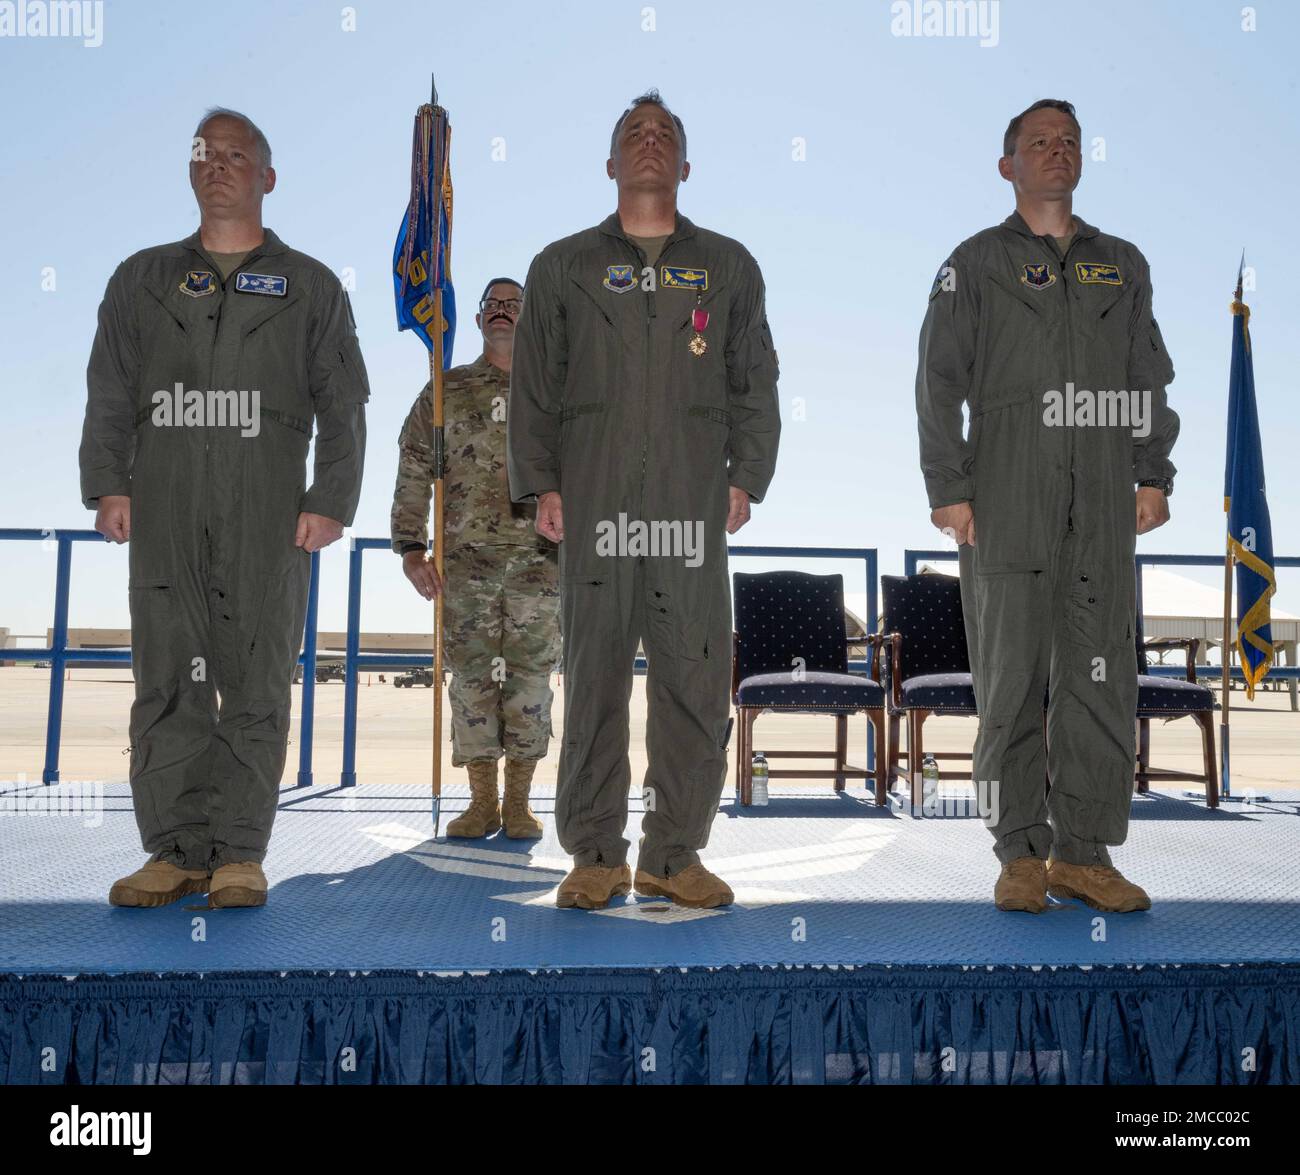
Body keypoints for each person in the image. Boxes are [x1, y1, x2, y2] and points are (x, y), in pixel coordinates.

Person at [81, 108, 368, 908]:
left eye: (239, 155)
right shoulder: (141, 278)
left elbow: (343, 403)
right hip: (166, 490)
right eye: (206, 153)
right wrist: (110, 480)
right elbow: (109, 387)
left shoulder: (310, 285)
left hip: (269, 499)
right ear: (190, 170)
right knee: (168, 673)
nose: (220, 165)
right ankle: (173, 850)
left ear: (267, 178)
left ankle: (239, 850)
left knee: (254, 674)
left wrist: (330, 498)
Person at [508, 90, 781, 910]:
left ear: (686, 166)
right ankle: (594, 853)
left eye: (665, 134)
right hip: (593, 501)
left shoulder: (728, 266)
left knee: (693, 682)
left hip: (692, 506)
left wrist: (747, 476)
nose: (650, 142)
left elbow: (755, 380)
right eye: (635, 133)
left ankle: (672, 852)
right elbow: (534, 387)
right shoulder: (563, 265)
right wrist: (543, 483)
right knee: (592, 679)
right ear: (611, 164)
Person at [915, 98, 1178, 914]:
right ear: (1008, 165)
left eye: (1068, 142)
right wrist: (949, 488)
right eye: (1039, 142)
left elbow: (1147, 377)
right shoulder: (975, 261)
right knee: (1008, 681)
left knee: (1101, 679)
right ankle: (1019, 851)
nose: (1056, 152)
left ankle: (1085, 854)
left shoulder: (1121, 264)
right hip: (1005, 492)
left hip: (1100, 497)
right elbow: (938, 380)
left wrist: (1151, 471)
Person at [392, 277, 560, 838]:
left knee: (531, 683)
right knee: (471, 681)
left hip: (542, 563)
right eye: (493, 304)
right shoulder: (447, 391)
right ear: (479, 318)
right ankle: (481, 800)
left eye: (515, 305)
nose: (502, 312)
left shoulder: (557, 393)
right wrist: (411, 546)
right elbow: (414, 466)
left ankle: (519, 802)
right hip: (464, 566)